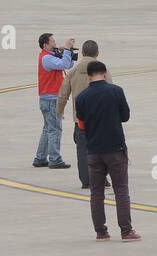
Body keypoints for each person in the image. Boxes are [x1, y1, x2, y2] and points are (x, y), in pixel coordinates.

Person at [73, 61, 139, 241]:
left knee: (96, 192)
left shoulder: (81, 98)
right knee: (121, 190)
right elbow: (125, 117)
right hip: (115, 147)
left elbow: (81, 124)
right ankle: (126, 231)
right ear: (104, 73)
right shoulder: (116, 91)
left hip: (93, 149)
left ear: (88, 76)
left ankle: (101, 231)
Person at [56, 40, 110, 189]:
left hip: (80, 120)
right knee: (102, 149)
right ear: (97, 54)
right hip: (100, 119)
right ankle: (102, 178)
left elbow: (63, 95)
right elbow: (111, 91)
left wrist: (59, 111)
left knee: (82, 150)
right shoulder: (102, 70)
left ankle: (86, 180)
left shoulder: (73, 71)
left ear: (82, 53)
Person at [34, 32, 77, 170]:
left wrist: (68, 53)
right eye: (52, 42)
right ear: (45, 45)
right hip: (51, 99)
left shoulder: (49, 56)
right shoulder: (46, 58)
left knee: (48, 129)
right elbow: (63, 63)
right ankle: (55, 159)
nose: (55, 44)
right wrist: (67, 50)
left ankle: (40, 158)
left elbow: (67, 65)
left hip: (48, 98)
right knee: (55, 130)